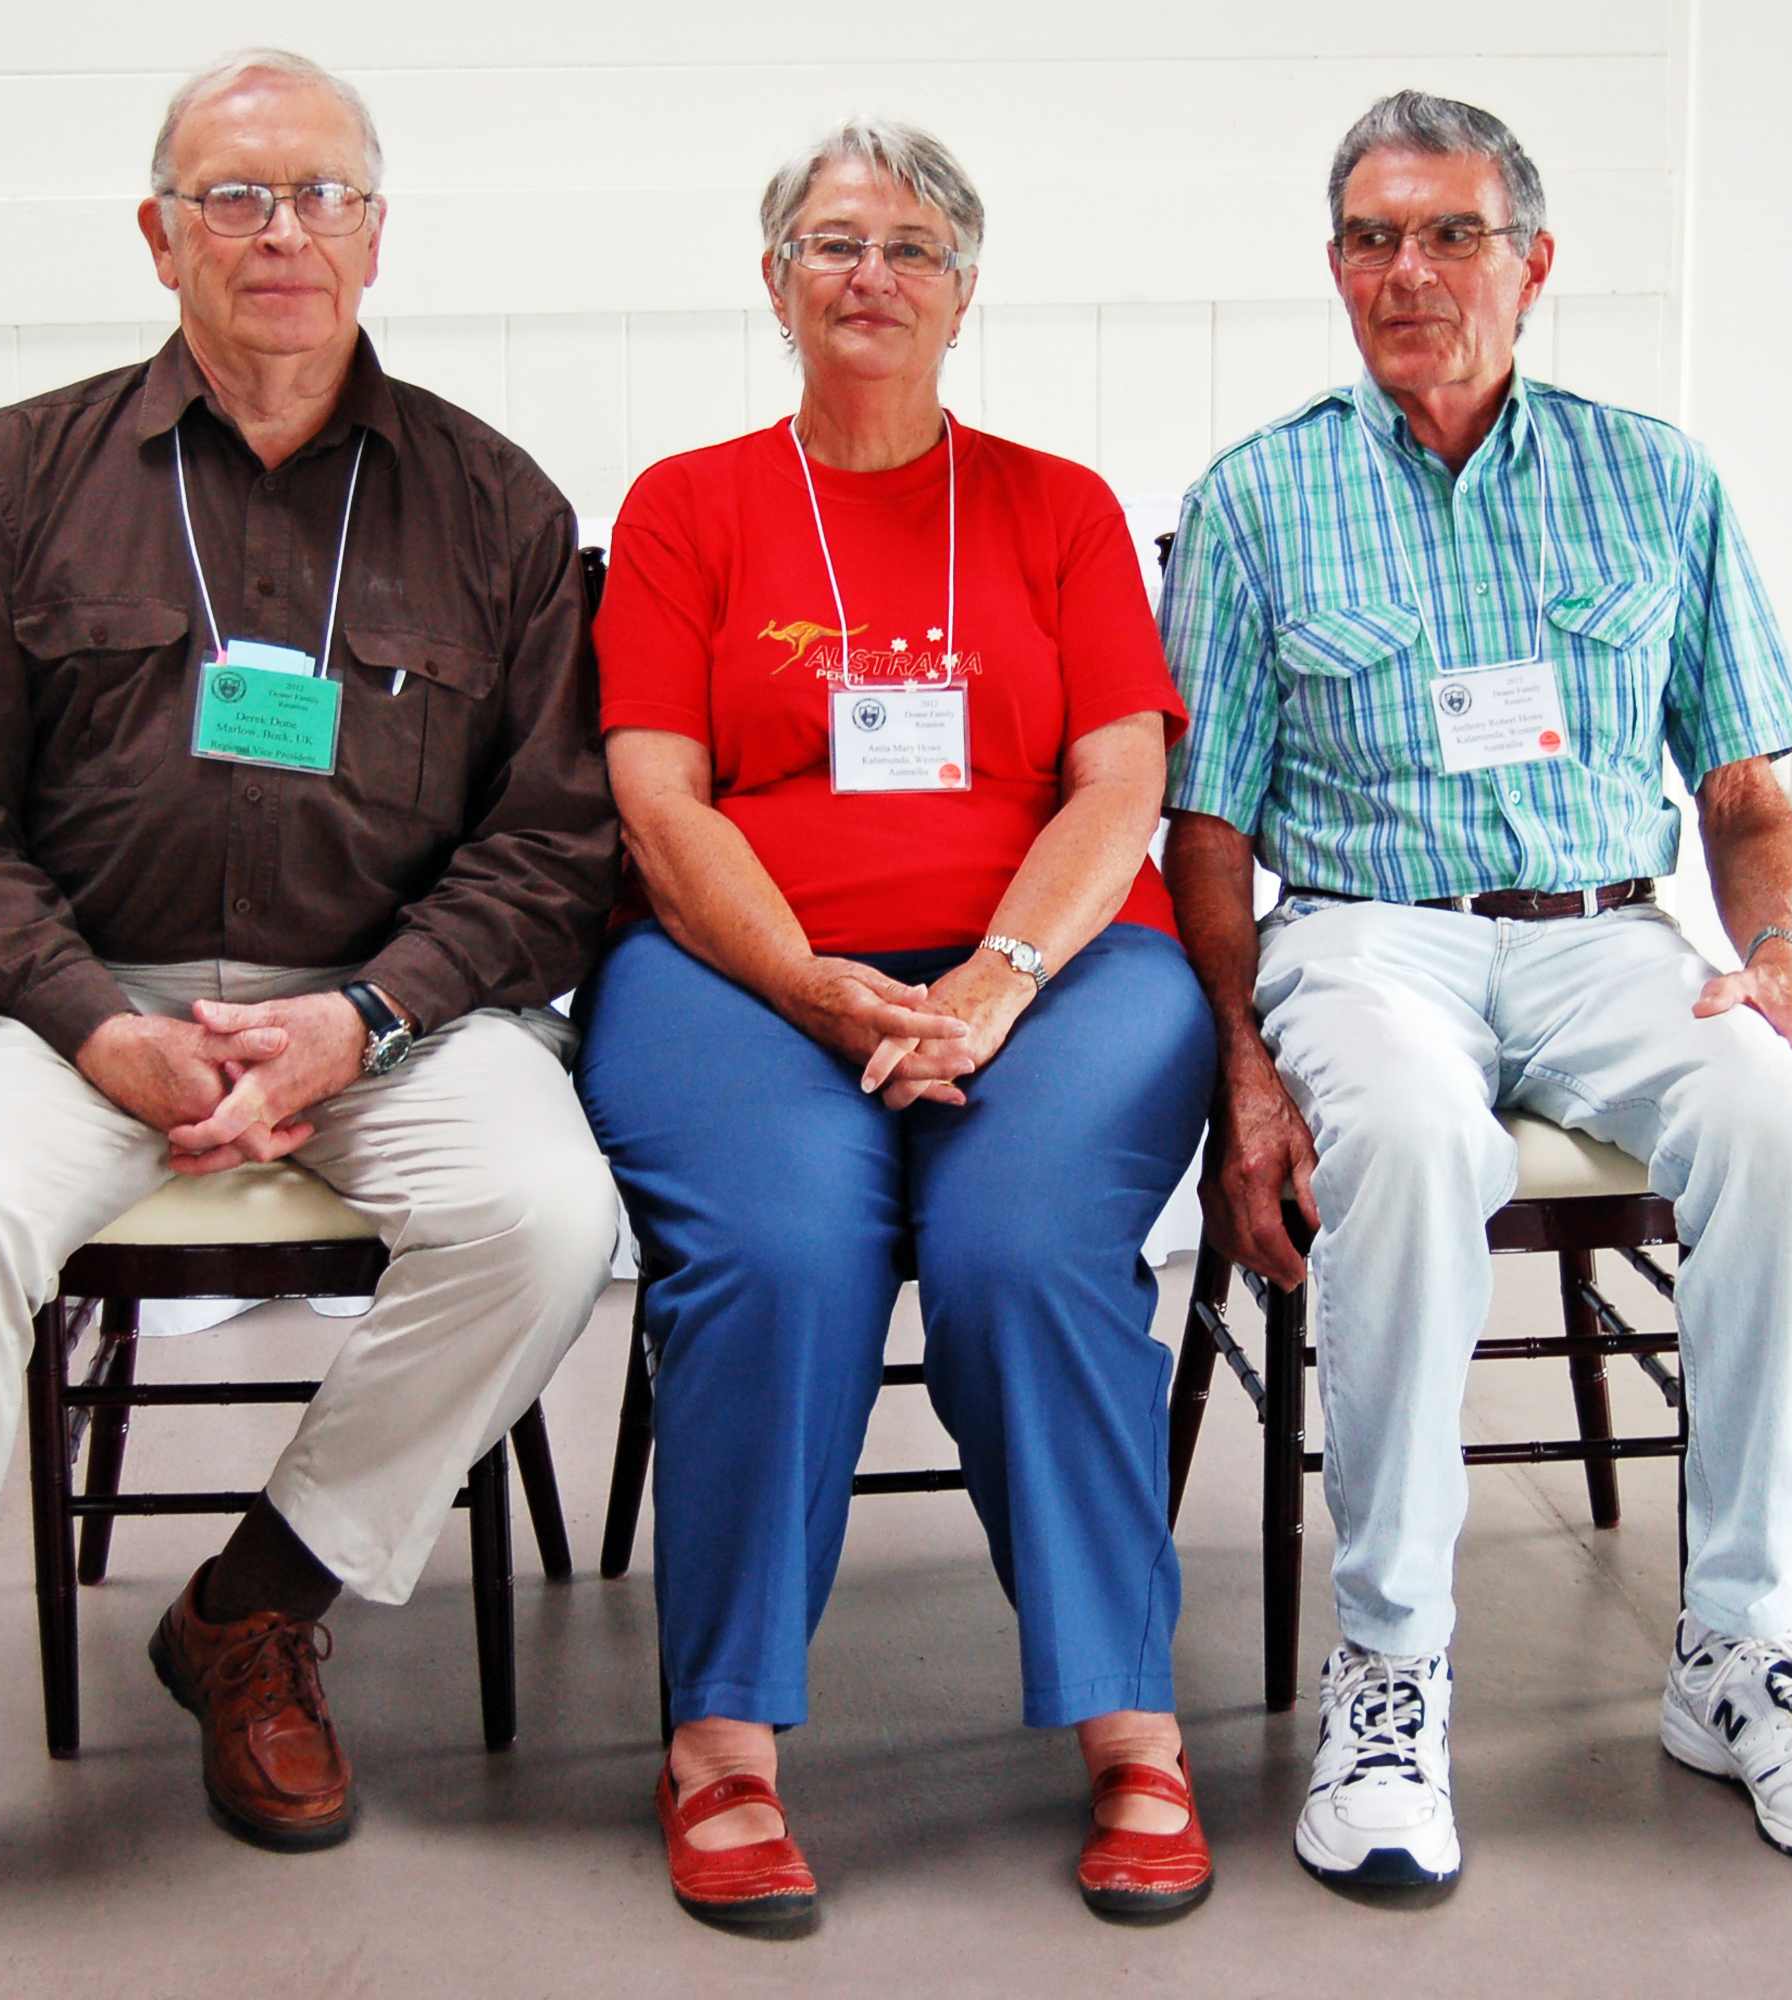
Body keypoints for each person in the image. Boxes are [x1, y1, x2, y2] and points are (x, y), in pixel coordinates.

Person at [0, 49, 621, 1943]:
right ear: (158, 236)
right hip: (77, 998)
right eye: (236, 196)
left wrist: (354, 1023)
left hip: (386, 1012)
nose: (282, 231)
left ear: (379, 234)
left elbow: (549, 847)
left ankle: (256, 1609)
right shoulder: (17, 474)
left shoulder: (494, 501)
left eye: (322, 196)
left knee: (548, 1217)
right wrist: (97, 1027)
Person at [1161, 89, 1792, 1890]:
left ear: (1535, 261)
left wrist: (1781, 958)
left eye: (1450, 234)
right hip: (1362, 929)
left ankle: (1741, 1652)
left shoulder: (1655, 476)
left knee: (1784, 1129)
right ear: (1335, 265)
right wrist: (1243, 1062)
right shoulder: (1259, 495)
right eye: (1370, 236)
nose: (1406, 271)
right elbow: (1207, 829)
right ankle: (1391, 1667)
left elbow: (1743, 792)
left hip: (1602, 930)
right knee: (1417, 1148)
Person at [575, 119, 1218, 1931]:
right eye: (834, 242)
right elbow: (658, 800)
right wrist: (804, 978)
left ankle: (1127, 1720)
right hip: (737, 974)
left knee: (1024, 1251)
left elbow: (1121, 785)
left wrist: (997, 982)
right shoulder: (691, 505)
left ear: (965, 290)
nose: (874, 274)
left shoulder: (1059, 506)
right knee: (776, 1253)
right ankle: (722, 1747)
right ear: (775, 280)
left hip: (1061, 970)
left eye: (913, 246)